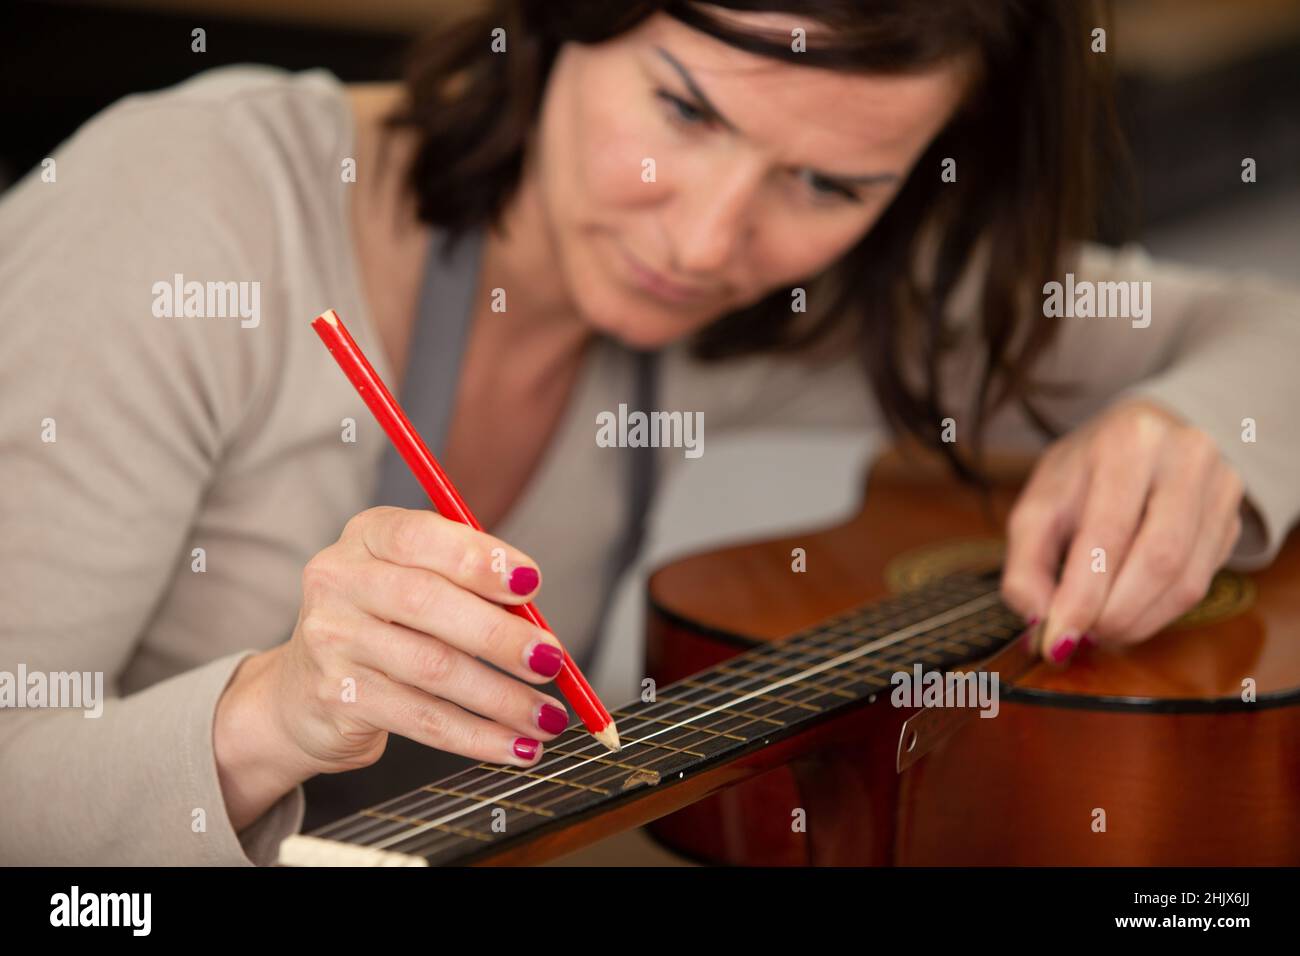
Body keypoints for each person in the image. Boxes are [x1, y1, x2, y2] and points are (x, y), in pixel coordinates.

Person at [2, 0, 1297, 865]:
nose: (705, 242)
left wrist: (1191, 432)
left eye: (831, 183)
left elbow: (1263, 326)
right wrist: (273, 712)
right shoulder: (179, 213)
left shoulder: (788, 305)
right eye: (683, 112)